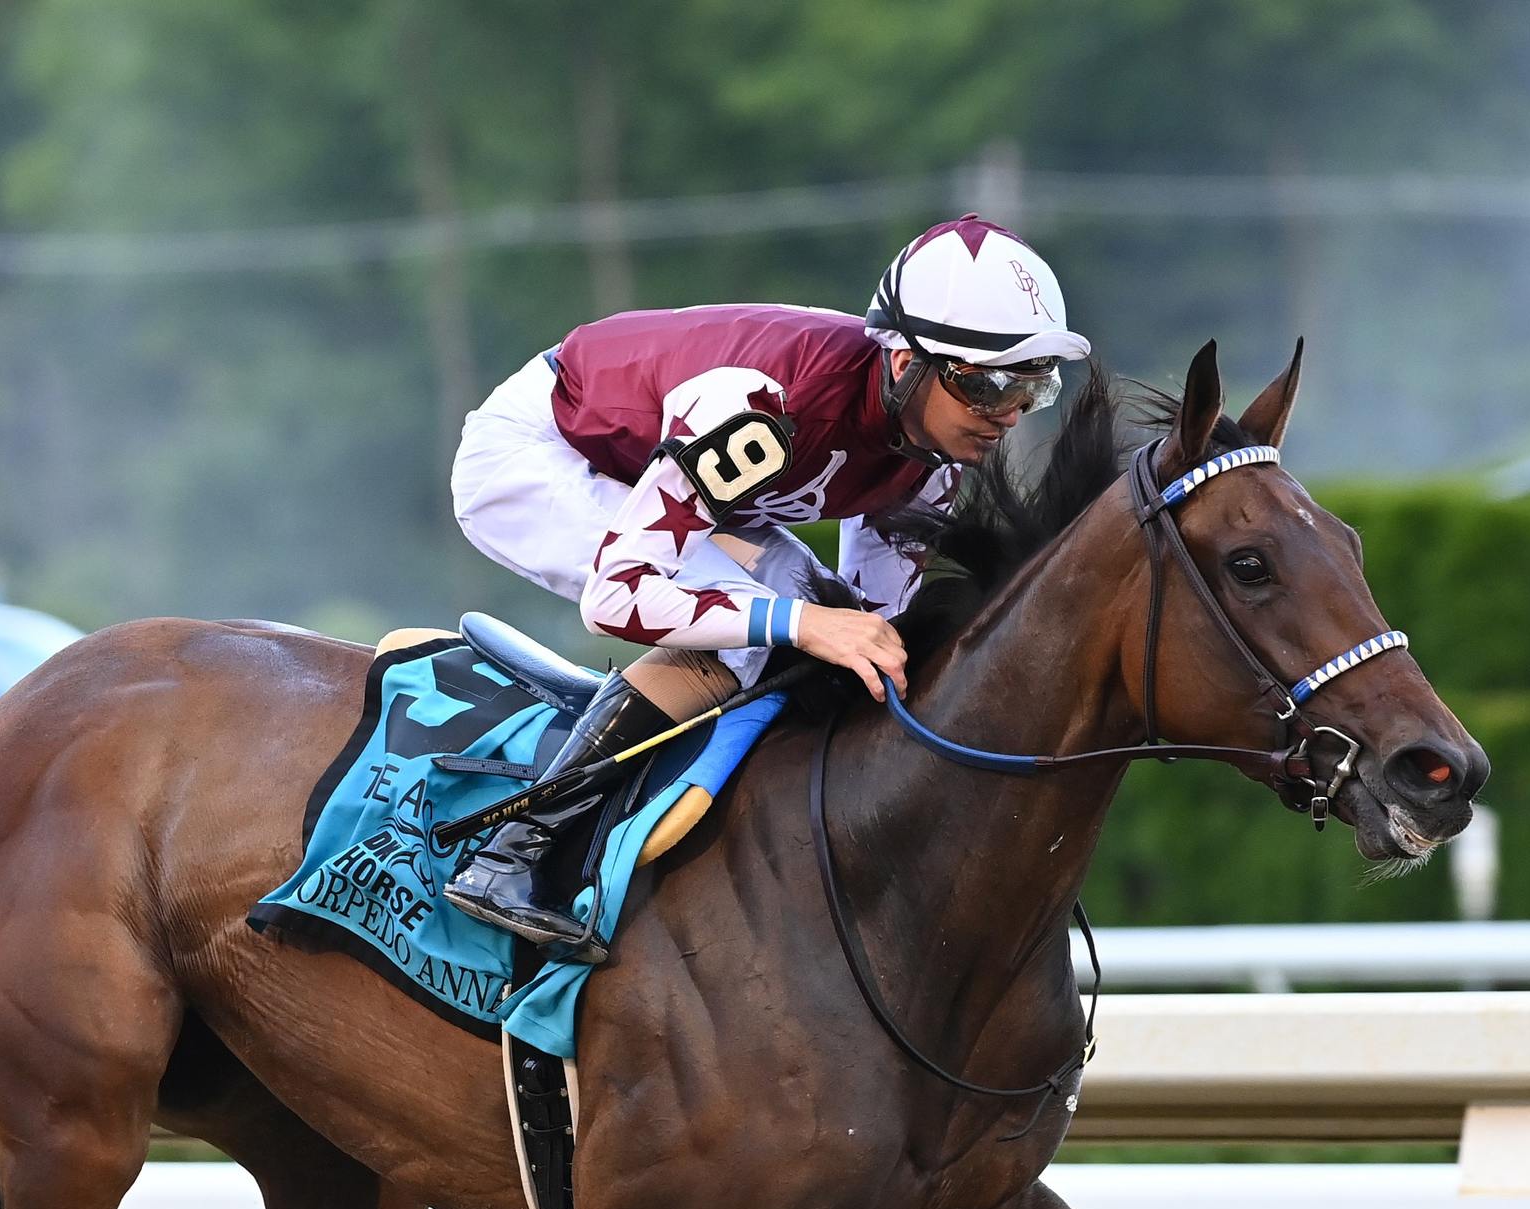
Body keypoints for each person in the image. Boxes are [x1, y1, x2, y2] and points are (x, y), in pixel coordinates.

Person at [442, 214, 1093, 950]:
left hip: (670, 478)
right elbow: (619, 595)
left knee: (839, 637)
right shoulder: (763, 408)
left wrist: (829, 634)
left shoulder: (932, 459)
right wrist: (801, 625)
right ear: (907, 363)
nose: (1007, 414)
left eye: (1032, 388)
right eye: (988, 385)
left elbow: (872, 629)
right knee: (753, 636)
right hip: (542, 453)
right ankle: (516, 853)